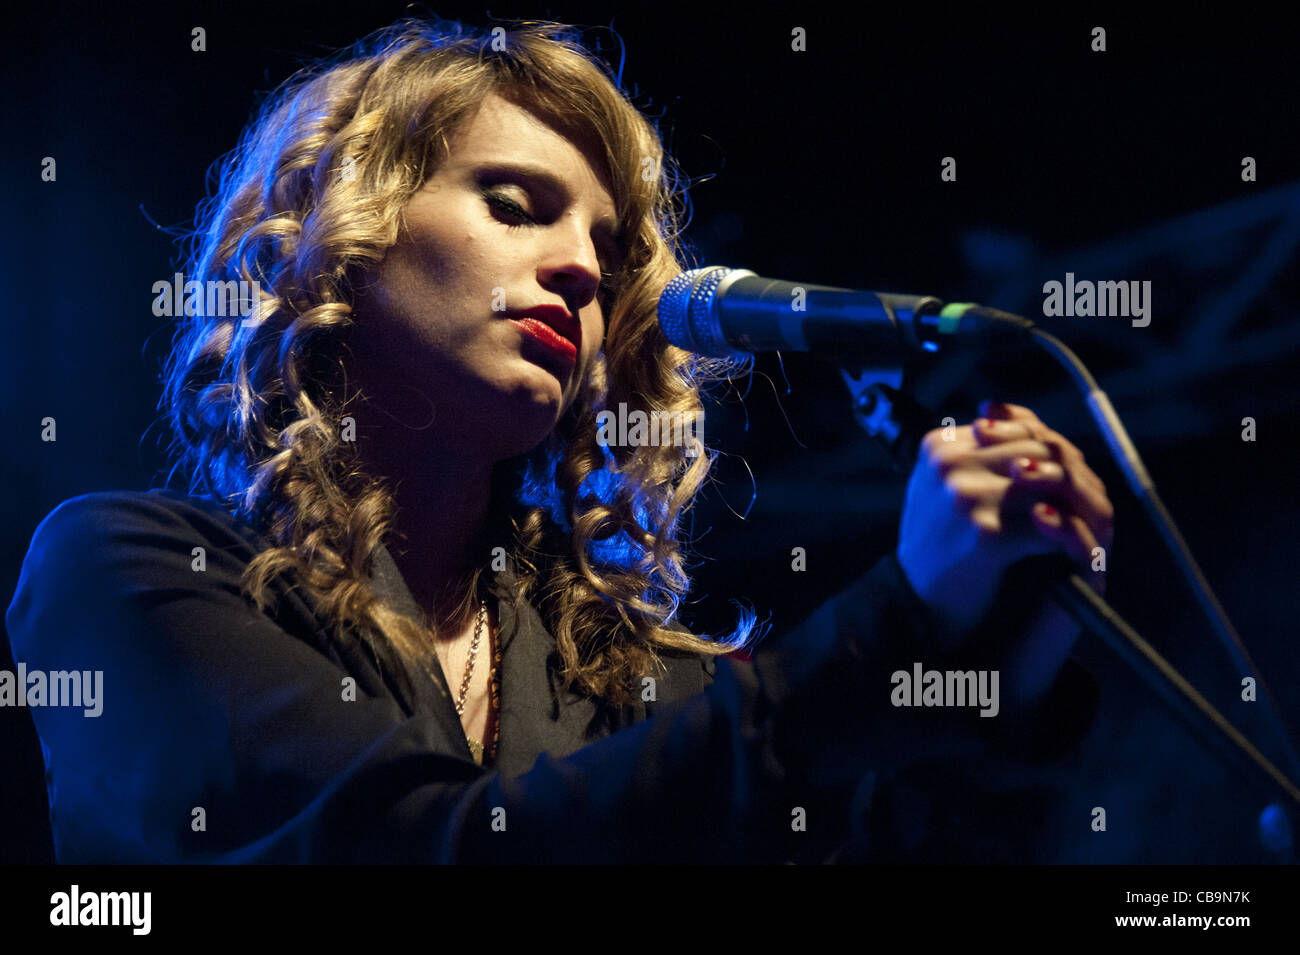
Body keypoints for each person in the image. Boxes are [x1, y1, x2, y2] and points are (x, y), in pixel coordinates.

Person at [5, 18, 1112, 863]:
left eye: (606, 245)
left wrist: (1011, 628)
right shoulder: (125, 574)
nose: (584, 268)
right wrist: (899, 616)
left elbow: (884, 807)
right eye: (517, 204)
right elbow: (426, 846)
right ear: (342, 236)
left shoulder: (624, 680)